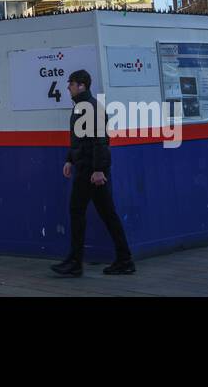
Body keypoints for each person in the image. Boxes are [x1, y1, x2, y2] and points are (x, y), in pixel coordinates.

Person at [51, 69, 136, 277]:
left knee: (77, 210)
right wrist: (70, 160)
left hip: (90, 170)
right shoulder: (83, 106)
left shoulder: (89, 108)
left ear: (82, 85)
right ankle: (125, 260)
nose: (68, 87)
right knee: (108, 214)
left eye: (71, 83)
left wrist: (98, 170)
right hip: (89, 168)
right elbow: (81, 139)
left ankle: (75, 262)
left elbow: (100, 141)